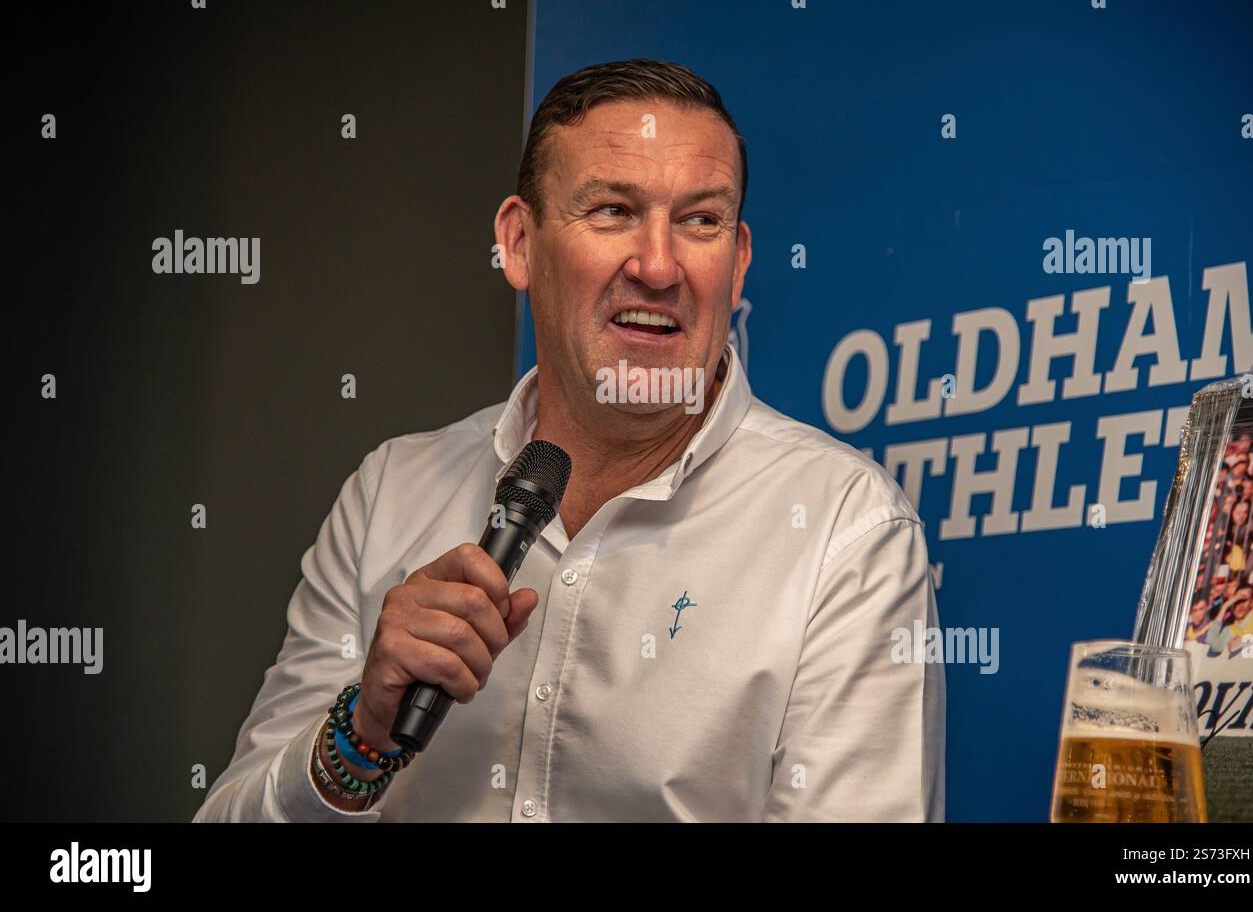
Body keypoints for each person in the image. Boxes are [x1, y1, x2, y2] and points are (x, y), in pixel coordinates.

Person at [193, 58, 945, 823]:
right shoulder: (391, 489)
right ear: (519, 243)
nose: (658, 266)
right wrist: (359, 734)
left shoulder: (847, 530)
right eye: (614, 210)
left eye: (701, 220)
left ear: (739, 263)